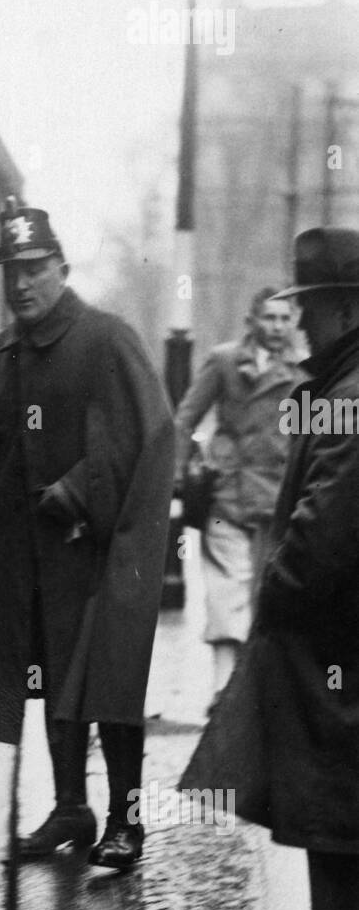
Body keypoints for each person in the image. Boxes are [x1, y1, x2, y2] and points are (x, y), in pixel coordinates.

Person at [0, 200, 175, 870]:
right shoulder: (6, 354)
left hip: (100, 552)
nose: (21, 284)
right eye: (11, 271)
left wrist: (76, 491)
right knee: (54, 684)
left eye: (34, 268)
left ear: (61, 267)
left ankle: (126, 820)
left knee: (110, 690)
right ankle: (70, 809)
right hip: (29, 560)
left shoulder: (107, 340)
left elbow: (143, 438)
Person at [180, 226, 359, 910]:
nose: (303, 323)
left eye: (313, 308)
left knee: (331, 778)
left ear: (347, 311)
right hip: (337, 619)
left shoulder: (348, 392)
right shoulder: (340, 381)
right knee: (334, 776)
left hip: (333, 625)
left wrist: (279, 589)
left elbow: (328, 527)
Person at [174, 288, 305, 704]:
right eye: (269, 318)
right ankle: (222, 690)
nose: (277, 327)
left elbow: (314, 434)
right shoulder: (225, 361)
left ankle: (253, 695)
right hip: (226, 496)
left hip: (277, 500)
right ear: (251, 321)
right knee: (226, 593)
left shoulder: (304, 372)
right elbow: (185, 418)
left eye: (285, 318)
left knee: (264, 596)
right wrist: (178, 478)